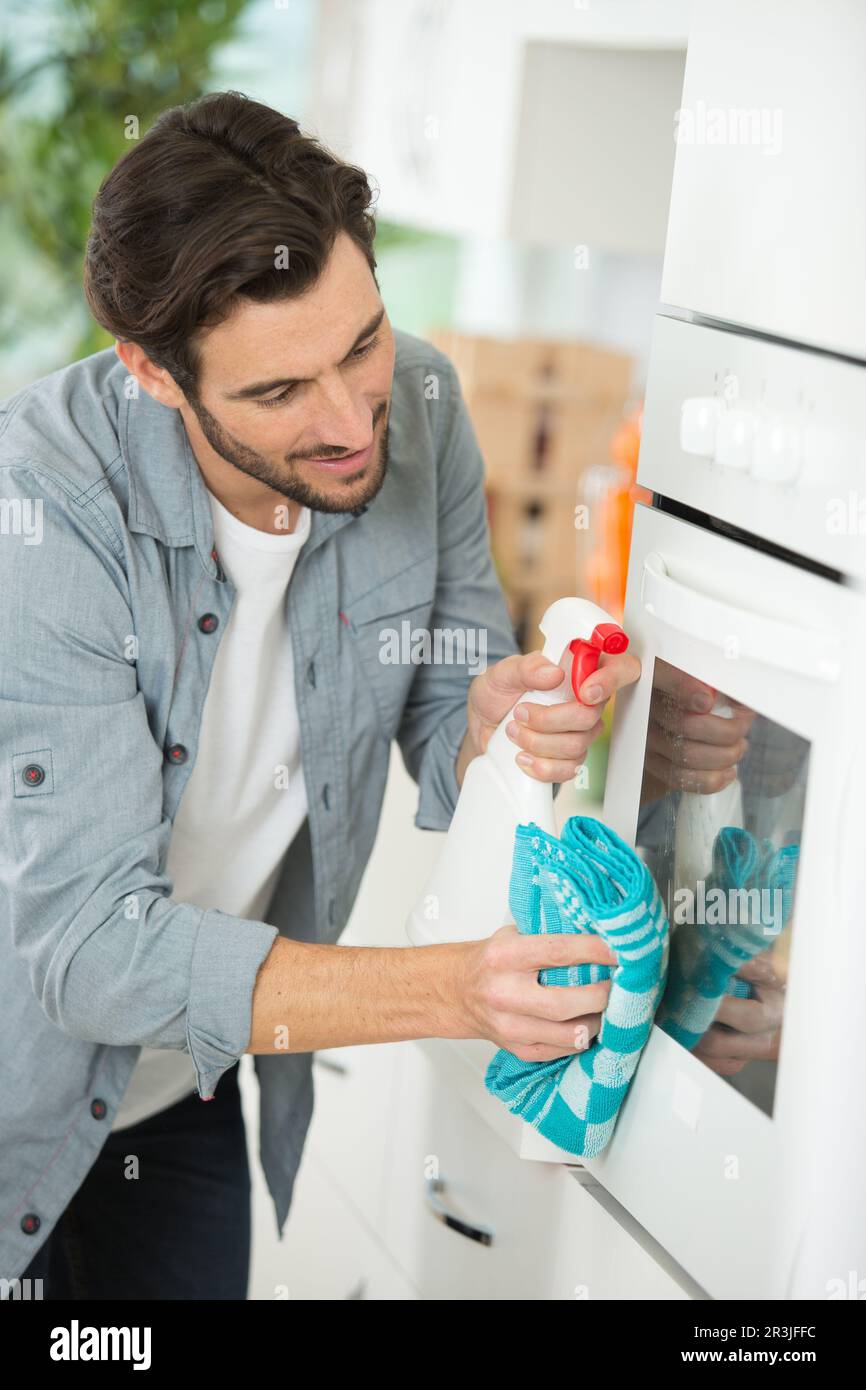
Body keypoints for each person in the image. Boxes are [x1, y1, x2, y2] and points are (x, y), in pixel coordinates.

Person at [0, 91, 640, 1299]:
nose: (352, 423)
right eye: (280, 391)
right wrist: (448, 986)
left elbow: (445, 717)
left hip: (187, 1076)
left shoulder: (428, 411)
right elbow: (87, 950)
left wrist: (501, 726)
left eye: (362, 343)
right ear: (149, 370)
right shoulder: (40, 513)